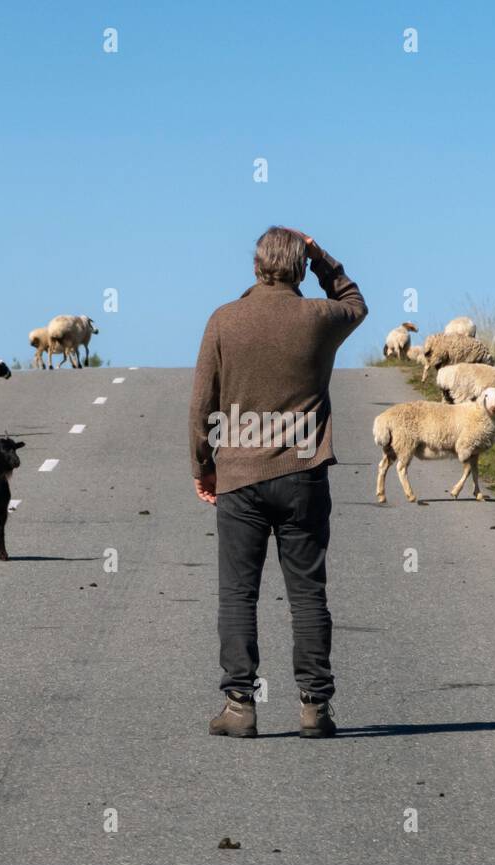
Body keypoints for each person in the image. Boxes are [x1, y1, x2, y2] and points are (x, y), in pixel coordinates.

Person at [189, 226, 368, 738]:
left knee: (238, 594)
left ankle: (240, 706)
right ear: (298, 266)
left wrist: (205, 466)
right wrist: (322, 259)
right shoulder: (319, 317)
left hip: (239, 478)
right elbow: (355, 301)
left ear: (255, 267)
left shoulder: (224, 320)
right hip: (304, 476)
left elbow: (202, 404)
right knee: (308, 593)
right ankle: (315, 707)